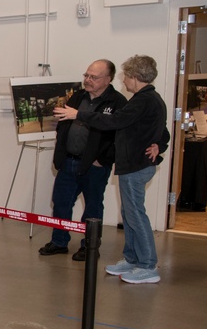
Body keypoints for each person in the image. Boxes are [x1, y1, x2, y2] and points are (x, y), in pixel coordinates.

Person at [54, 55, 170, 284]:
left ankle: (147, 265)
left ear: (135, 77)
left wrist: (78, 115)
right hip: (131, 166)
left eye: (126, 76)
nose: (124, 81)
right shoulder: (146, 99)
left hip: (136, 166)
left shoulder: (143, 100)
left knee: (136, 215)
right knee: (129, 214)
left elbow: (113, 122)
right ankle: (132, 258)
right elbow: (159, 131)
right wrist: (160, 143)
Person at [38, 60, 126, 261]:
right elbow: (63, 125)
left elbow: (120, 137)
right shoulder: (77, 96)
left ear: (108, 80)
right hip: (69, 161)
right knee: (60, 203)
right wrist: (60, 155)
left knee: (93, 207)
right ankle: (59, 242)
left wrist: (103, 159)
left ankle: (89, 246)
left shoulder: (117, 102)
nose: (87, 80)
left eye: (93, 77)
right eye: (86, 75)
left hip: (95, 166)